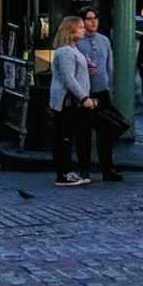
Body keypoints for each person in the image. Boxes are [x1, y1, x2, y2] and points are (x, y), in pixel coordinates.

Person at [48, 15, 96, 188]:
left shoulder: (72, 50)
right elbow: (69, 79)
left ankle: (68, 172)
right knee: (64, 138)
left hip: (74, 100)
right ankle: (63, 173)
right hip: (68, 101)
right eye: (80, 27)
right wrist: (84, 97)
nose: (84, 30)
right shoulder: (66, 52)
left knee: (68, 137)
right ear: (71, 30)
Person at [76, 8, 123, 182]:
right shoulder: (77, 42)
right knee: (84, 133)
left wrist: (108, 84)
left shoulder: (104, 40)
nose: (93, 22)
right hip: (84, 93)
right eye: (88, 19)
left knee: (106, 132)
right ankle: (84, 169)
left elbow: (109, 65)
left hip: (101, 92)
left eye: (95, 18)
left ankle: (108, 168)